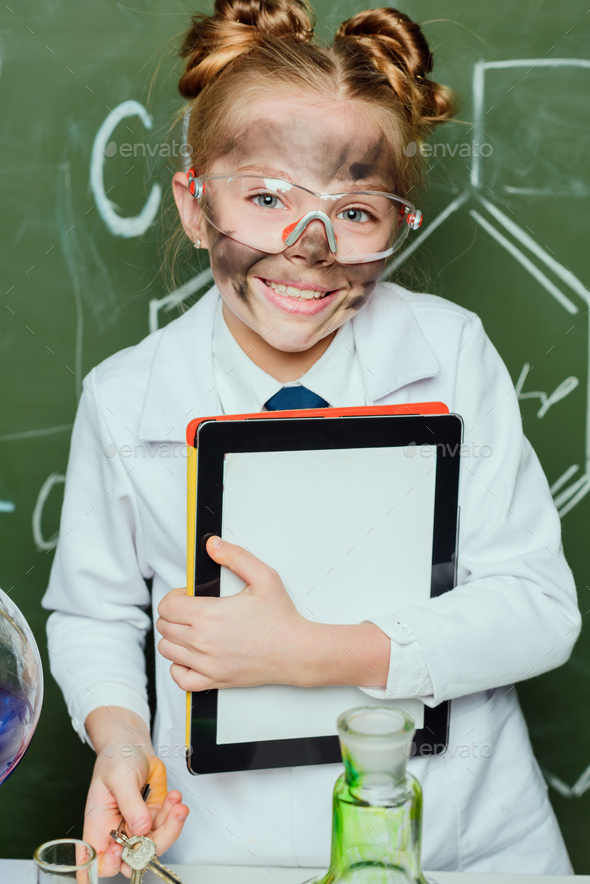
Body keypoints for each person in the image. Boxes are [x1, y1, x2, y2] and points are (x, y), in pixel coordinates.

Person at [42, 0, 582, 876]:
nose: (309, 248)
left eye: (356, 212)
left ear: (399, 225)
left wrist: (311, 653)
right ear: (193, 204)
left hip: (466, 842)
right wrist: (118, 737)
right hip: (228, 847)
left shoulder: (450, 353)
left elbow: (538, 609)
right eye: (264, 199)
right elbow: (94, 611)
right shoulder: (126, 397)